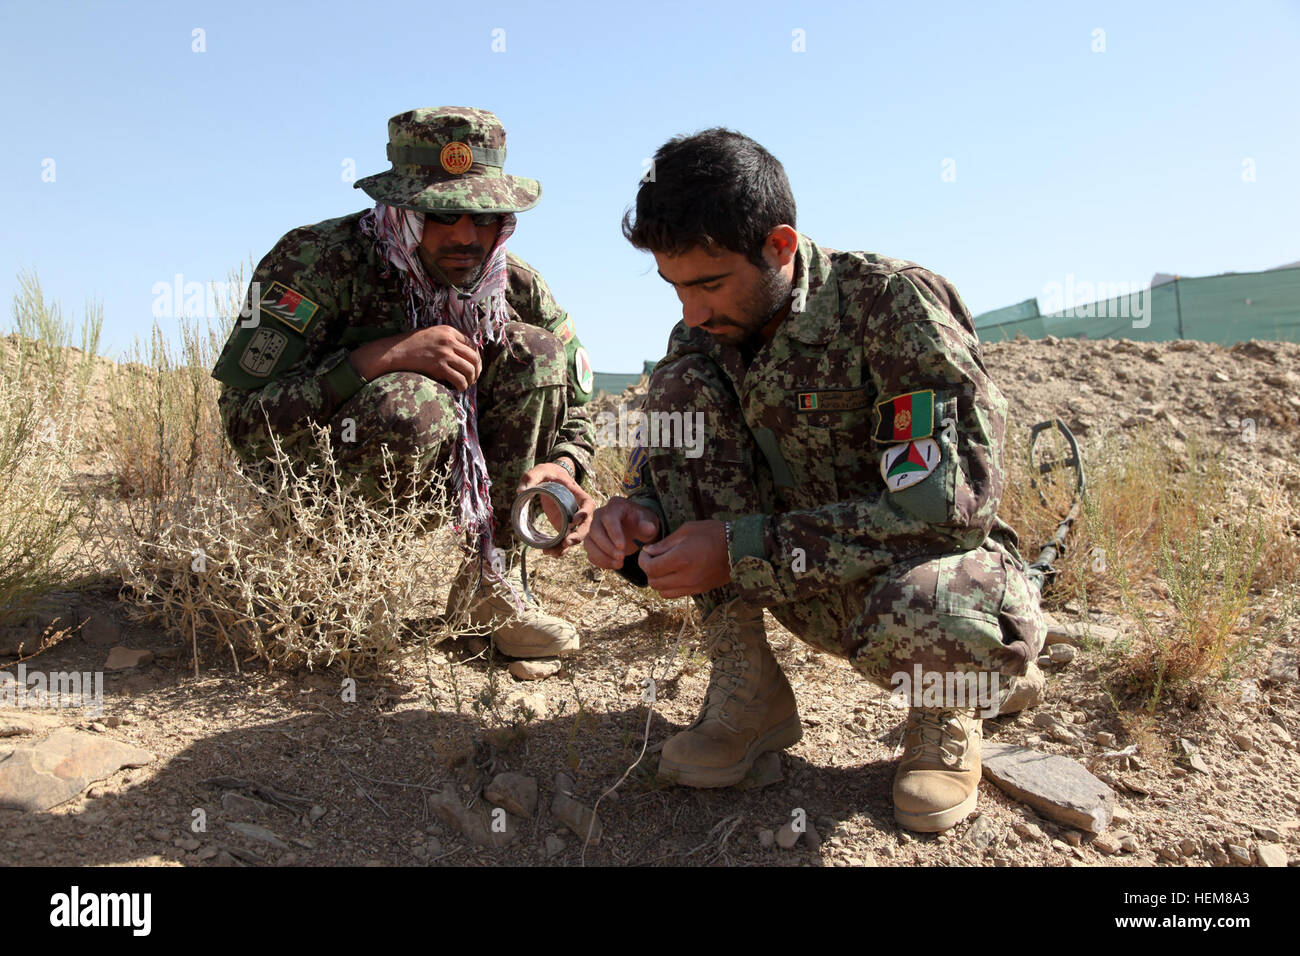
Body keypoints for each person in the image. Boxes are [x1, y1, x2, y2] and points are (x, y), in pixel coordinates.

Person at [584, 128, 1045, 832]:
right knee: (679, 388)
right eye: (675, 288)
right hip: (785, 565)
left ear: (780, 246)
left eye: (708, 284)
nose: (692, 312)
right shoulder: (704, 336)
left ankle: (945, 708)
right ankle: (748, 695)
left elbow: (949, 511)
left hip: (902, 570)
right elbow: (673, 465)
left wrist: (740, 548)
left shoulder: (892, 307)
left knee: (945, 616)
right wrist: (640, 512)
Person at [211, 107, 597, 659]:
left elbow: (580, 406)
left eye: (483, 217)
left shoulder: (514, 284)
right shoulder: (315, 262)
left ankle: (491, 585)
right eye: (443, 216)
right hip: (318, 478)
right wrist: (375, 359)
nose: (466, 235)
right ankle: (343, 591)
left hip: (457, 476)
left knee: (536, 352)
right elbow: (245, 418)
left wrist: (563, 468)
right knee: (413, 401)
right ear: (402, 208)